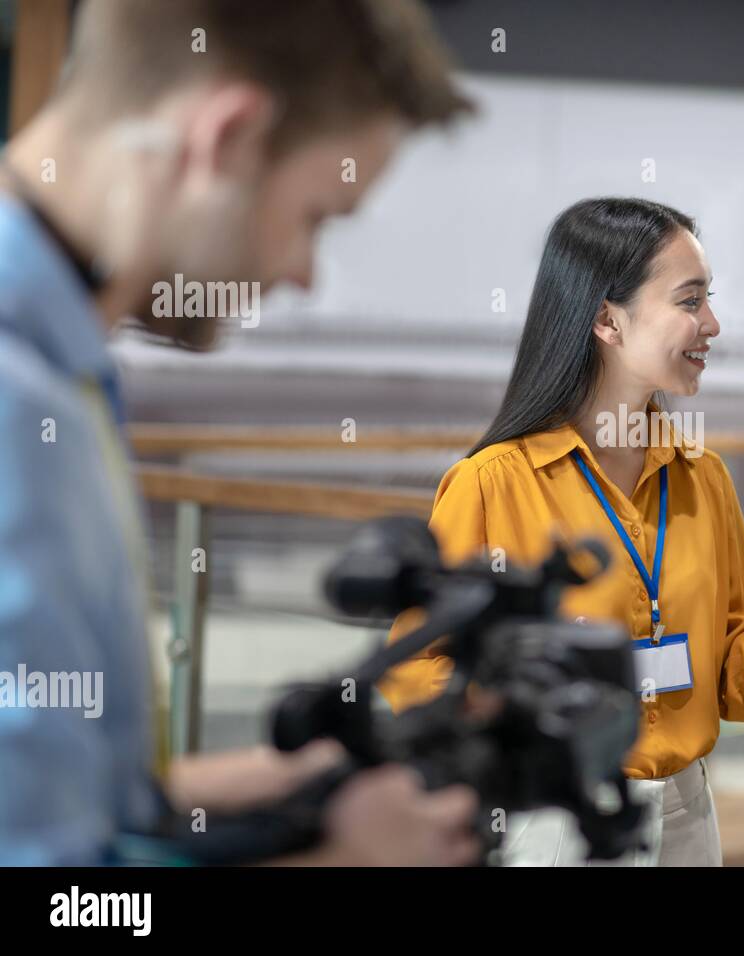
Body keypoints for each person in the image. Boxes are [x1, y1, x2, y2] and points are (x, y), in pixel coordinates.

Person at [0, 0, 480, 865]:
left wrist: (255, 783)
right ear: (227, 138)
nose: (302, 274)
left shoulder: (63, 368)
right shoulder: (17, 401)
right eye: (317, 217)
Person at [378, 197, 744, 865]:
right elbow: (415, 672)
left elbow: (743, 688)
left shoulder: (702, 476)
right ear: (608, 320)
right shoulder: (492, 483)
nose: (713, 324)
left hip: (687, 812)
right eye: (690, 301)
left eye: (709, 299)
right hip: (551, 820)